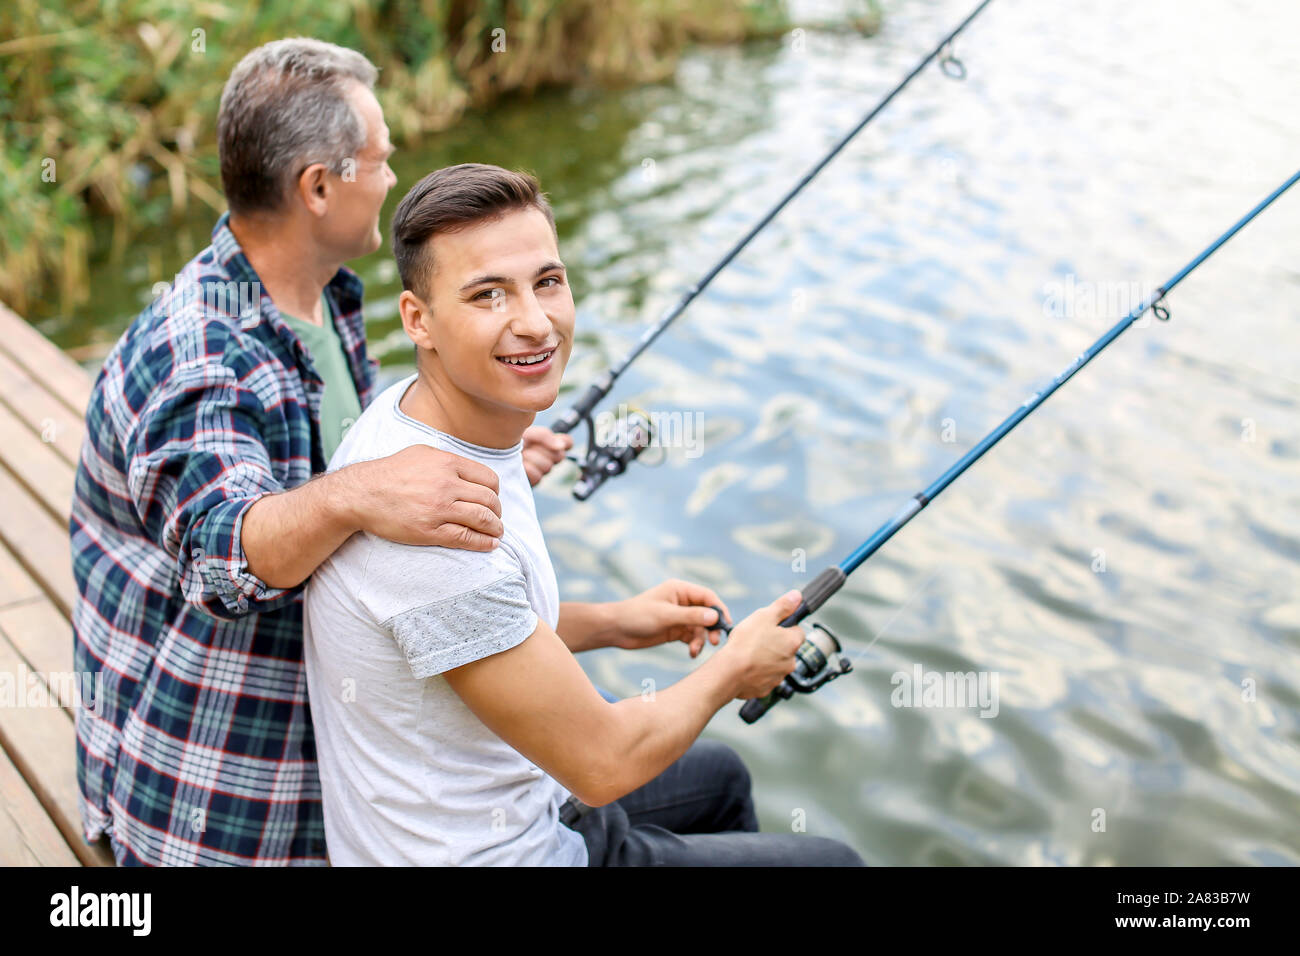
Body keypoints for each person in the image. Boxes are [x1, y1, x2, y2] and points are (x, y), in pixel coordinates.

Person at [69, 38, 571, 866]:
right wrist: (359, 493)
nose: (392, 174)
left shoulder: (325, 295)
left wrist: (479, 465)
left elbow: (366, 490)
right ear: (318, 186)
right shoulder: (198, 349)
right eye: (380, 158)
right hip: (224, 790)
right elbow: (218, 555)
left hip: (346, 738)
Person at [303, 163, 864, 866]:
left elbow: (471, 636)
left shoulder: (408, 417)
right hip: (503, 851)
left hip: (528, 793)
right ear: (420, 320)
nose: (535, 323)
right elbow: (603, 763)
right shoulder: (438, 541)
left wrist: (616, 623)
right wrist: (734, 670)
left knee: (720, 779)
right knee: (834, 862)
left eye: (547, 281)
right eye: (488, 295)